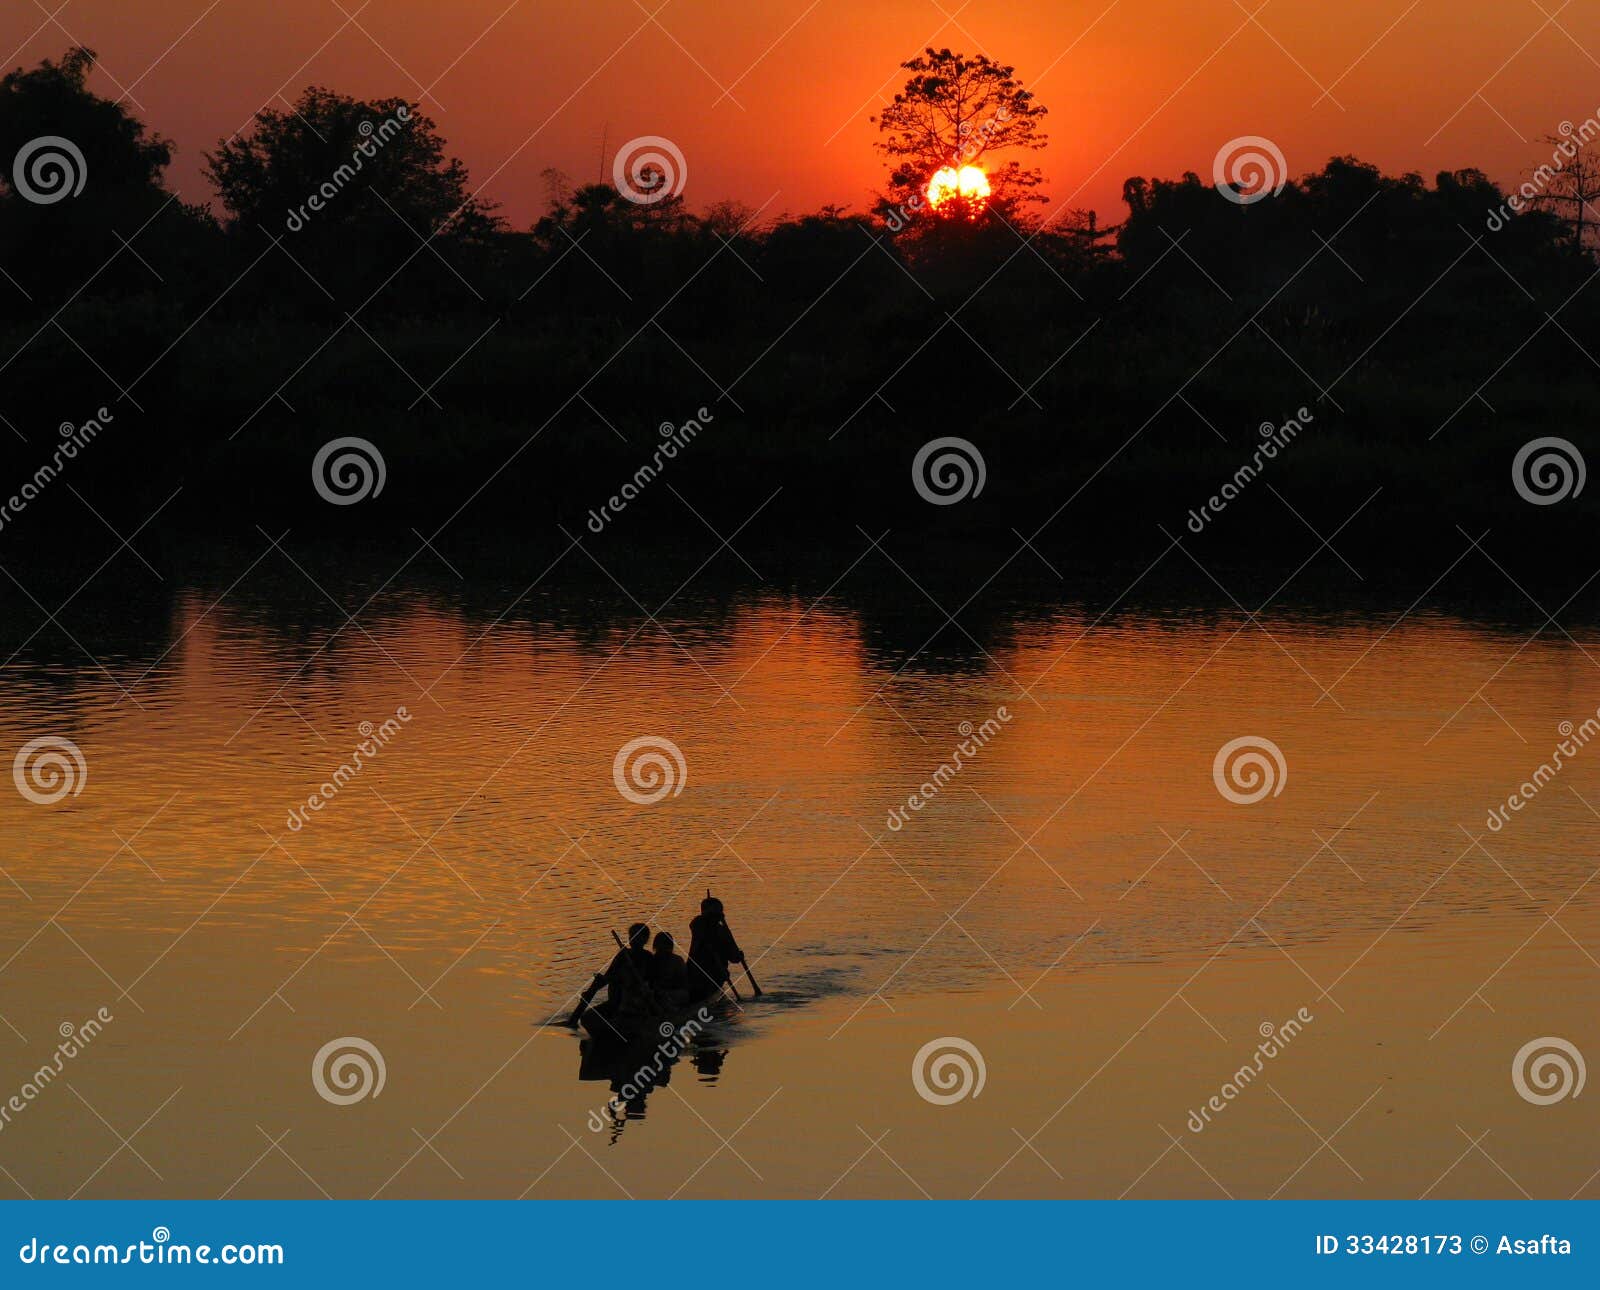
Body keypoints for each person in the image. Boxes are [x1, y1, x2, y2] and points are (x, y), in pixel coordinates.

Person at [591, 923, 654, 1022]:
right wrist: (597, 984)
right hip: (616, 1001)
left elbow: (651, 982)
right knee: (589, 1017)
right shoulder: (623, 955)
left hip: (637, 1003)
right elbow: (608, 976)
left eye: (636, 936)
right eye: (631, 936)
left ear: (645, 940)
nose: (633, 939)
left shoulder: (648, 957)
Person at [686, 897, 744, 1002]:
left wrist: (739, 955)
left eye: (719, 913)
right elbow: (696, 925)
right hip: (696, 974)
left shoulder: (722, 931)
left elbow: (734, 958)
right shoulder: (698, 924)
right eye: (715, 913)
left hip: (717, 974)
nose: (718, 916)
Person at [650, 931, 689, 1003]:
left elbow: (682, 982)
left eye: (665, 945)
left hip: (672, 993)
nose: (663, 948)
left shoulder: (677, 960)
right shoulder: (652, 960)